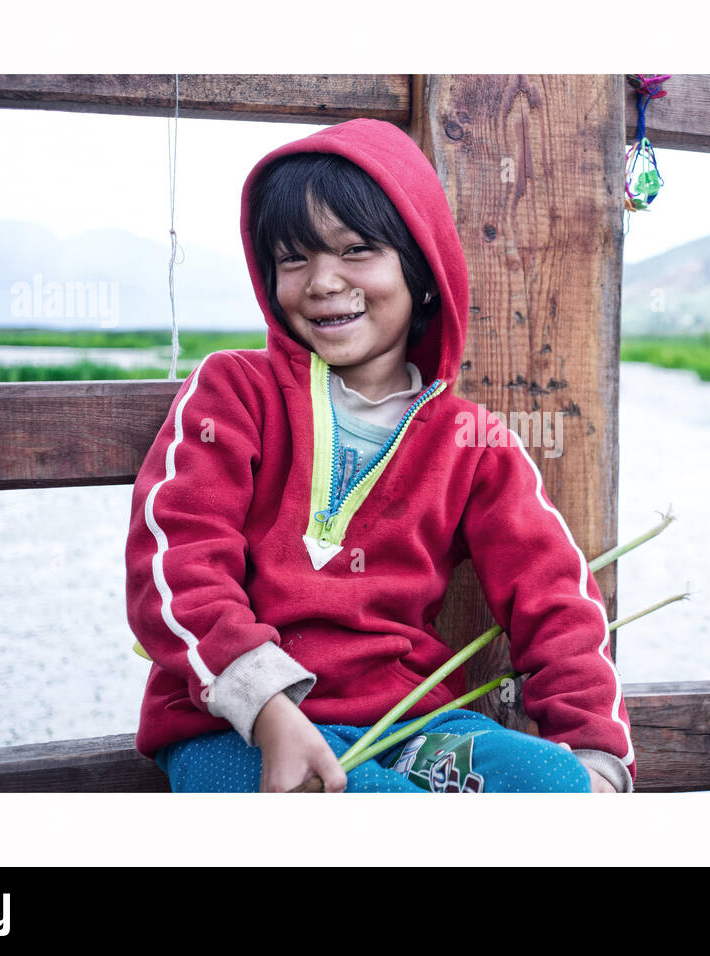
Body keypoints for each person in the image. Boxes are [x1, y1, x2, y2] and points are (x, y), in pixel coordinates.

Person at [125, 118, 635, 793]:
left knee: (553, 783)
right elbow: (174, 562)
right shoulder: (234, 391)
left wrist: (595, 753)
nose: (322, 281)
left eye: (357, 249)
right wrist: (266, 705)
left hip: (408, 730)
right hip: (237, 725)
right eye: (293, 258)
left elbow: (555, 597)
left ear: (421, 271)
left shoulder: (471, 443)